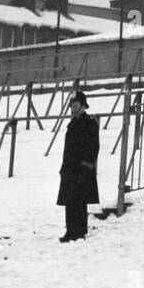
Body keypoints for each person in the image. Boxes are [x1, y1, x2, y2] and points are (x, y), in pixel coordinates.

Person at [57, 91, 99, 241]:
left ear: (83, 106)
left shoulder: (89, 124)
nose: (73, 109)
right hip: (70, 169)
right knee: (70, 201)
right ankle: (70, 231)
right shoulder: (73, 124)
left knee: (79, 201)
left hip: (81, 169)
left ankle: (80, 232)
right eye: (71, 106)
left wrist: (86, 167)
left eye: (75, 106)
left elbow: (93, 147)